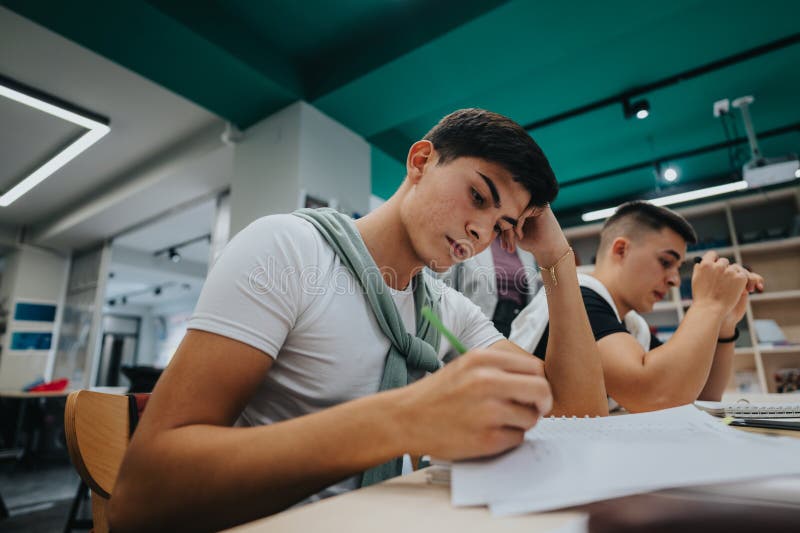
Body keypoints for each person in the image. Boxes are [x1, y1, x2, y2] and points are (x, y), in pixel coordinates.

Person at [110, 109, 608, 532]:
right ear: (421, 161)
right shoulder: (289, 250)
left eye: (502, 226)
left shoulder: (443, 309)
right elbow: (141, 499)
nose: (481, 232)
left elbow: (575, 410)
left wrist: (557, 258)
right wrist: (405, 419)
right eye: (479, 196)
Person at [511, 201, 764, 413]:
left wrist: (724, 323)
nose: (675, 280)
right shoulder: (579, 296)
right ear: (621, 249)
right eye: (666, 262)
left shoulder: (631, 326)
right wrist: (709, 304)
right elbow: (654, 394)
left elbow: (697, 394)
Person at [440, 239, 541, 337]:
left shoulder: (526, 249)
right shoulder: (468, 240)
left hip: (517, 329)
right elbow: (445, 290)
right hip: (476, 327)